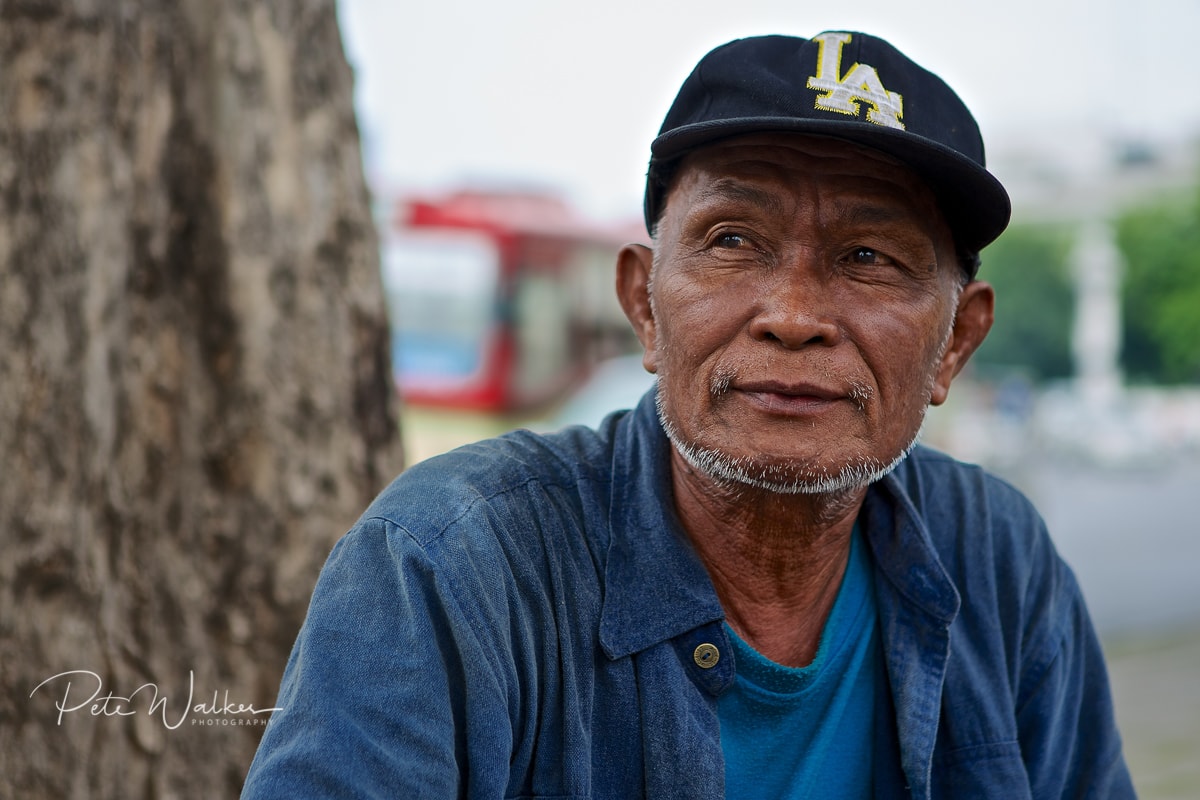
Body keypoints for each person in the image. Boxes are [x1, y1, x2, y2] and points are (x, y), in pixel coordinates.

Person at [243, 32, 1135, 799]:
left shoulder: (1000, 561)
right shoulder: (446, 567)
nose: (793, 315)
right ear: (643, 305)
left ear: (955, 344)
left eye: (868, 256)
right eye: (732, 240)